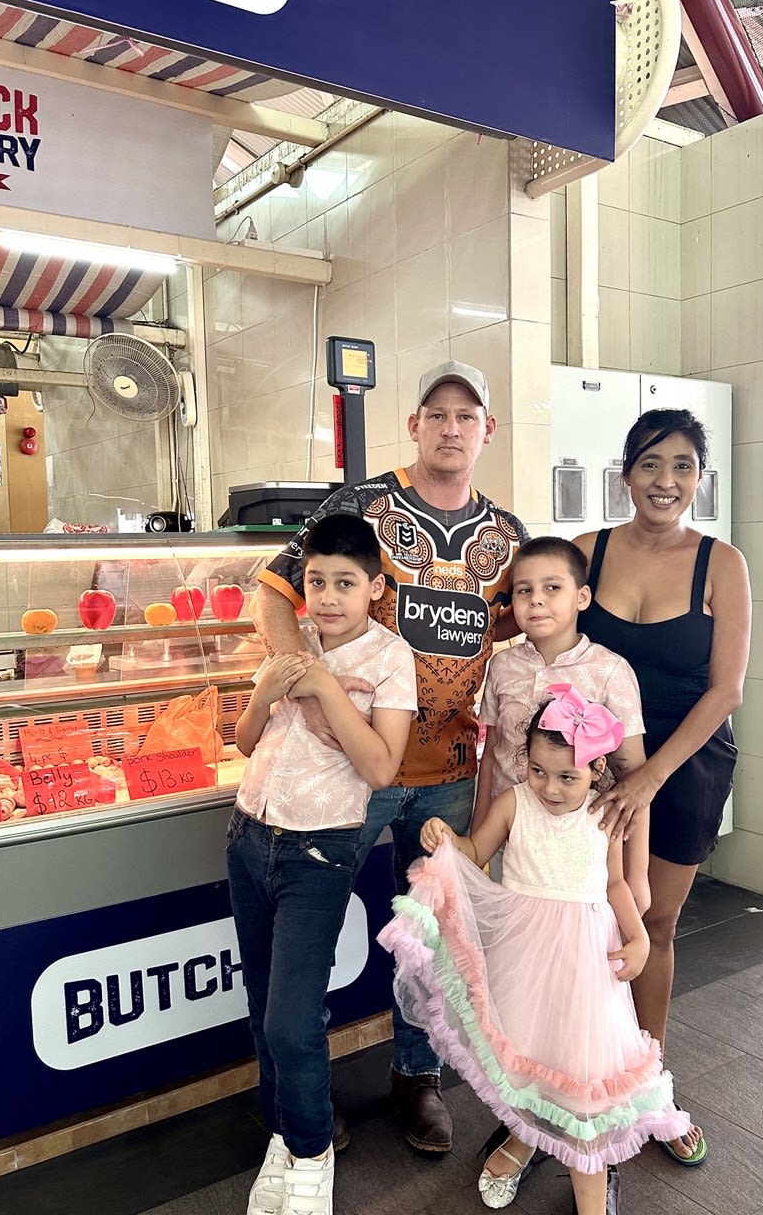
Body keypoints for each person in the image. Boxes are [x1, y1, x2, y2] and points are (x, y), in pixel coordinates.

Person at [252, 361, 528, 1153]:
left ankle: (418, 1077)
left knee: (432, 932)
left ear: (486, 431)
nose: (450, 428)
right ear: (413, 425)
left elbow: (501, 623)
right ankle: (308, 1093)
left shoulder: (504, 534)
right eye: (435, 414)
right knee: (308, 927)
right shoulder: (364, 505)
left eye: (465, 416)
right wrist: (306, 685)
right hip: (350, 767)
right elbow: (275, 588)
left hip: (448, 774)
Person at [379, 687, 689, 1215]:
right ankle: (525, 1138)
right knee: (529, 1055)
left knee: (582, 1073)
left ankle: (589, 1192)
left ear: (597, 773)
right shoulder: (513, 802)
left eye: (568, 776)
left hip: (586, 964)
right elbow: (476, 854)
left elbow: (615, 886)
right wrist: (447, 841)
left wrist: (637, 937)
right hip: (524, 953)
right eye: (540, 770)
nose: (550, 786)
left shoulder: (602, 816)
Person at [574, 408, 751, 1167]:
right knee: (582, 929)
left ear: (699, 479)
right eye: (650, 465)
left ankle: (648, 1082)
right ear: (626, 476)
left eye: (681, 466)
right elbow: (536, 630)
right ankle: (574, 1081)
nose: (665, 481)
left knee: (655, 923)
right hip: (585, 772)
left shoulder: (723, 563)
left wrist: (648, 776)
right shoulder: (588, 551)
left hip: (683, 768)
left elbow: (726, 692)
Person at [228, 514, 417, 1215]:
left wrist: (327, 687)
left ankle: (312, 1155)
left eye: (345, 582)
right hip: (250, 835)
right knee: (261, 1009)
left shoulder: (390, 659)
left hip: (318, 850)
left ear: (375, 587)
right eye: (316, 582)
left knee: (291, 1020)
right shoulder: (292, 641)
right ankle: (284, 1133)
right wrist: (265, 691)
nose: (329, 597)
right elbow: (247, 741)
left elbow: (380, 767)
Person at [471, 535, 650, 912]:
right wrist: (477, 837)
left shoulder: (609, 671)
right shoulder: (502, 667)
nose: (536, 599)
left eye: (552, 588)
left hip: (584, 845)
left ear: (581, 598)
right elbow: (492, 756)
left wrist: (637, 873)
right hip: (514, 839)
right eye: (524, 590)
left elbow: (634, 775)